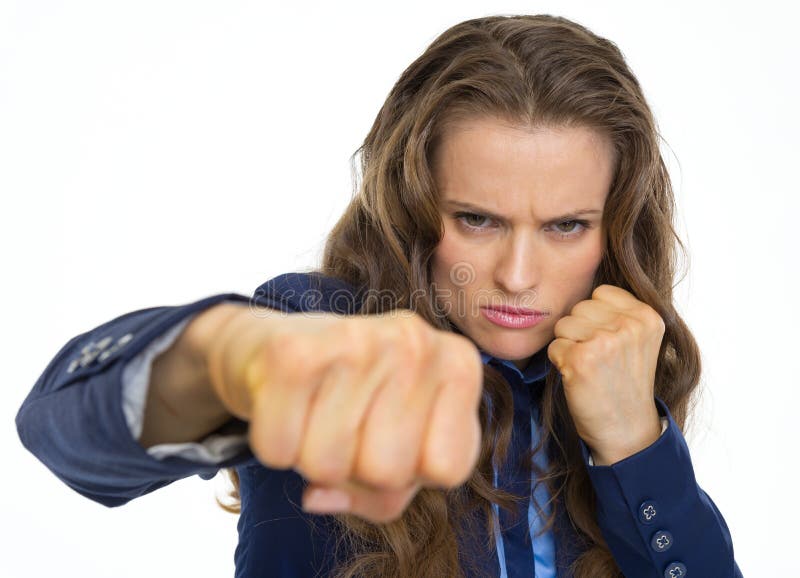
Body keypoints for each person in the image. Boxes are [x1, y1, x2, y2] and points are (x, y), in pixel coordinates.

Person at [14, 13, 743, 578]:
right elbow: (62, 428)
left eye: (566, 226)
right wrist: (235, 356)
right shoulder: (322, 330)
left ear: (614, 234)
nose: (519, 276)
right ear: (411, 205)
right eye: (477, 219)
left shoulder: (610, 374)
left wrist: (634, 445)